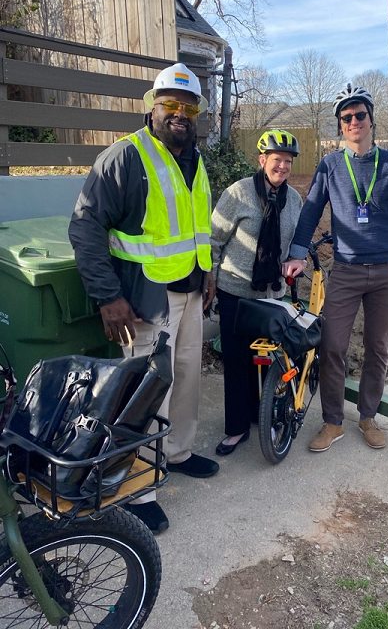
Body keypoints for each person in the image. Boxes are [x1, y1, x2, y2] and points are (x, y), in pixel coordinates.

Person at [69, 62, 218, 534]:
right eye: (171, 104)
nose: (180, 113)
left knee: (188, 380)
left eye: (188, 106)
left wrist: (208, 271)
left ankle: (176, 453)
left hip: (191, 291)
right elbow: (85, 225)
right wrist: (107, 297)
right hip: (144, 300)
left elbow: (198, 228)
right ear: (152, 107)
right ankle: (137, 487)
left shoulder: (195, 159)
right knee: (145, 394)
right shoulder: (125, 156)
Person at [284, 83, 388, 452]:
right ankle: (332, 422)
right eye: (347, 117)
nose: (354, 121)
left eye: (360, 115)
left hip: (387, 273)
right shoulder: (330, 165)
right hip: (345, 271)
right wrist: (296, 253)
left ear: (371, 120)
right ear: (340, 126)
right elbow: (311, 211)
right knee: (333, 346)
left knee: (377, 347)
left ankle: (368, 417)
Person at [211, 130, 303, 455]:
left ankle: (257, 416)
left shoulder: (294, 200)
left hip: (270, 295)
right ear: (262, 160)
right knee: (236, 360)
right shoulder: (238, 193)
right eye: (277, 160)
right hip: (234, 291)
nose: (282, 167)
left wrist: (296, 260)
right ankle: (236, 429)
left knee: (263, 361)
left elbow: (293, 246)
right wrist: (210, 281)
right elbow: (214, 239)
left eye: (288, 162)